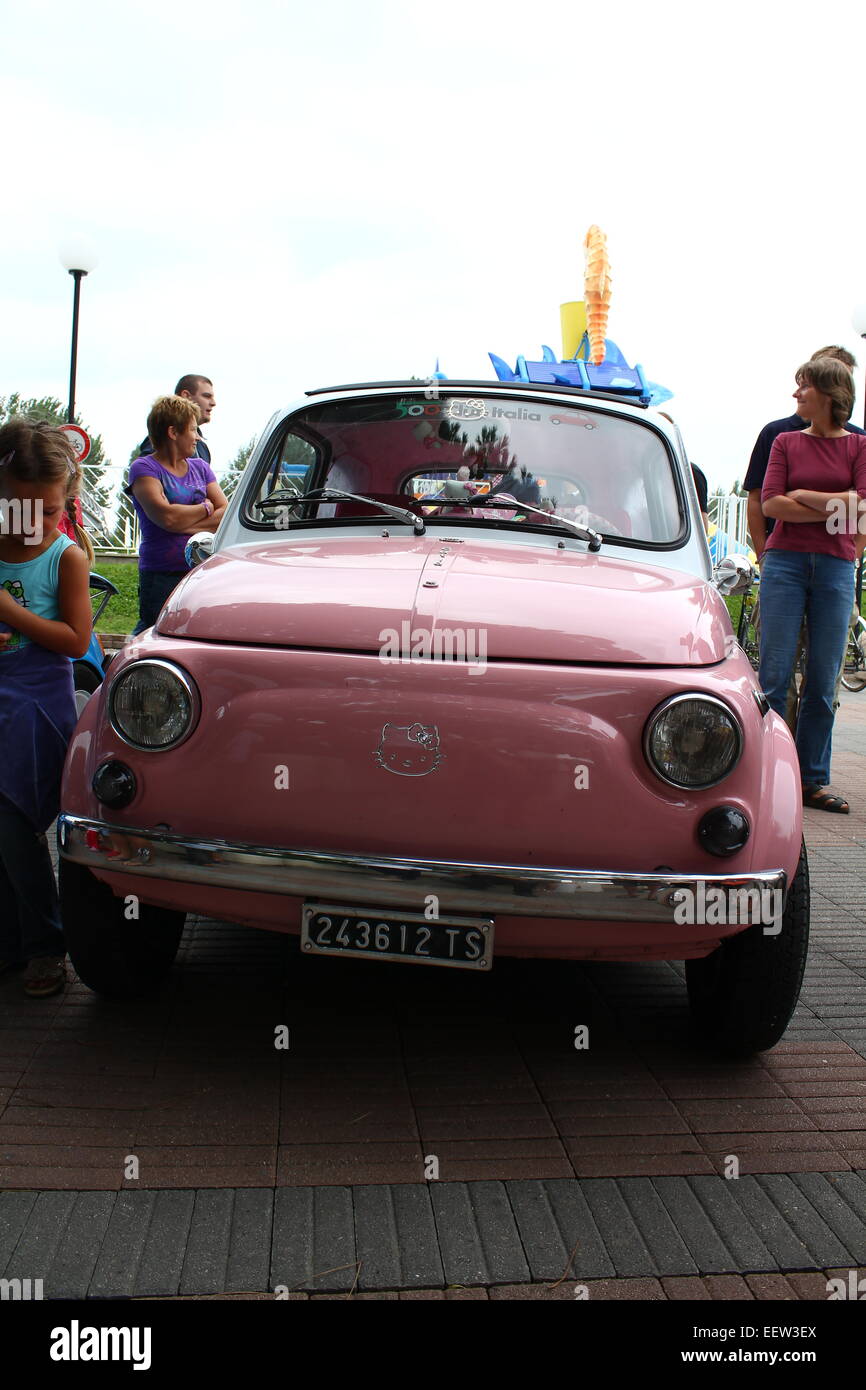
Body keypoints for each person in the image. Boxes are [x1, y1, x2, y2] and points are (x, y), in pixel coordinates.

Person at [0, 420, 92, 996]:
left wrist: (11, 614)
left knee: (14, 827)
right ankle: (12, 941)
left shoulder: (65, 558)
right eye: (18, 510)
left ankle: (44, 942)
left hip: (36, 701)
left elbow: (75, 639)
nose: (35, 524)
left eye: (50, 510)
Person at [758, 357, 866, 813]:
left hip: (837, 568)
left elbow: (862, 508)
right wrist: (836, 507)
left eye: (804, 387)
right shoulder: (784, 440)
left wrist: (804, 496)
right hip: (784, 565)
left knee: (823, 680)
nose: (796, 395)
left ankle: (812, 781)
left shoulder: (860, 446)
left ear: (829, 395)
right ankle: (769, 776)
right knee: (774, 676)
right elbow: (772, 505)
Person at [127, 395, 228, 636]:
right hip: (161, 574)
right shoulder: (144, 468)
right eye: (193, 430)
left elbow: (225, 514)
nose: (197, 437)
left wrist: (178, 520)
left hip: (200, 570)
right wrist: (205, 508)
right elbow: (166, 518)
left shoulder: (200, 467)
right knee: (153, 633)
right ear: (173, 432)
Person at [136, 374, 216, 464]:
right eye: (206, 396)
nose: (213, 403)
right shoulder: (163, 439)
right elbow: (146, 470)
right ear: (186, 395)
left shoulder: (202, 448)